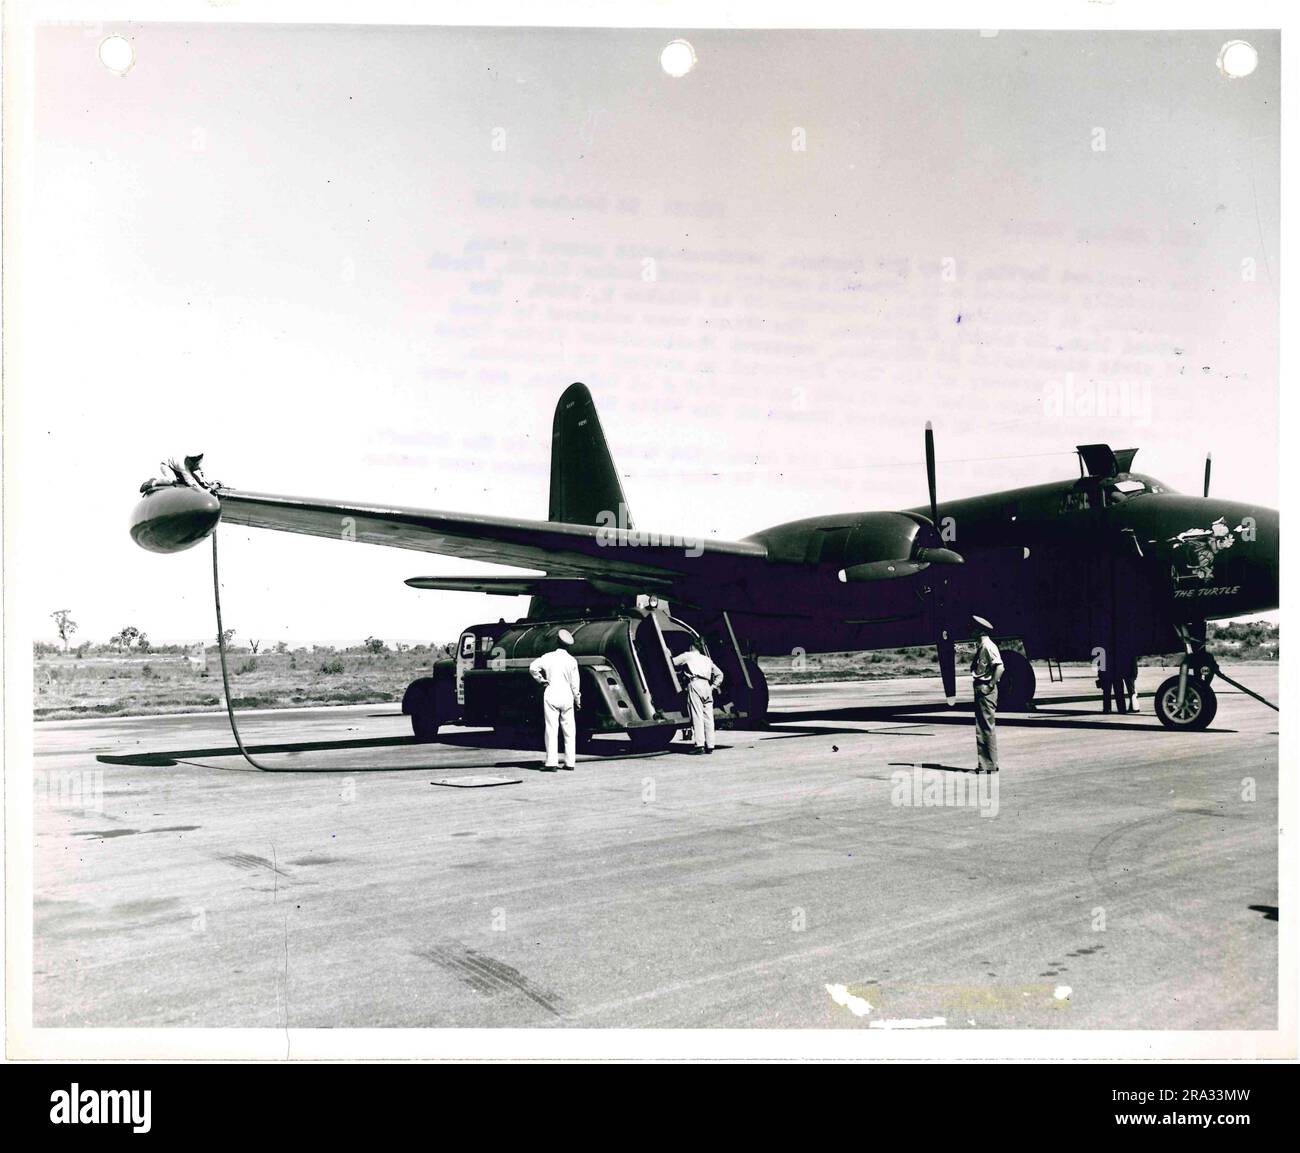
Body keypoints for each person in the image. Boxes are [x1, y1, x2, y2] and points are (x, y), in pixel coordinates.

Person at [528, 629, 581, 771]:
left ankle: (551, 763)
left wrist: (542, 680)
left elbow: (533, 667)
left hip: (551, 693)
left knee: (551, 729)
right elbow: (575, 684)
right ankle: (570, 763)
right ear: (568, 645)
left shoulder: (548, 657)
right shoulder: (572, 661)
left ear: (556, 641)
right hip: (567, 695)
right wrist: (577, 700)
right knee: (569, 730)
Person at [673, 642, 724, 755]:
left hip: (695, 684)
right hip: (707, 686)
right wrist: (713, 686)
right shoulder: (707, 659)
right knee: (709, 718)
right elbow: (720, 674)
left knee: (697, 715)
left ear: (691, 647)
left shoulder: (688, 655)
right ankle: (710, 745)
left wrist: (668, 652)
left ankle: (699, 745)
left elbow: (672, 662)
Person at [969, 616, 1003, 773]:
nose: (971, 631)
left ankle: (987, 766)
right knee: (984, 727)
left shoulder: (987, 647)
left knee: (985, 728)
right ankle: (989, 764)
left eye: (973, 628)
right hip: (983, 689)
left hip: (985, 690)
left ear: (979, 630)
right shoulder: (984, 646)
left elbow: (1000, 668)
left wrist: (989, 685)